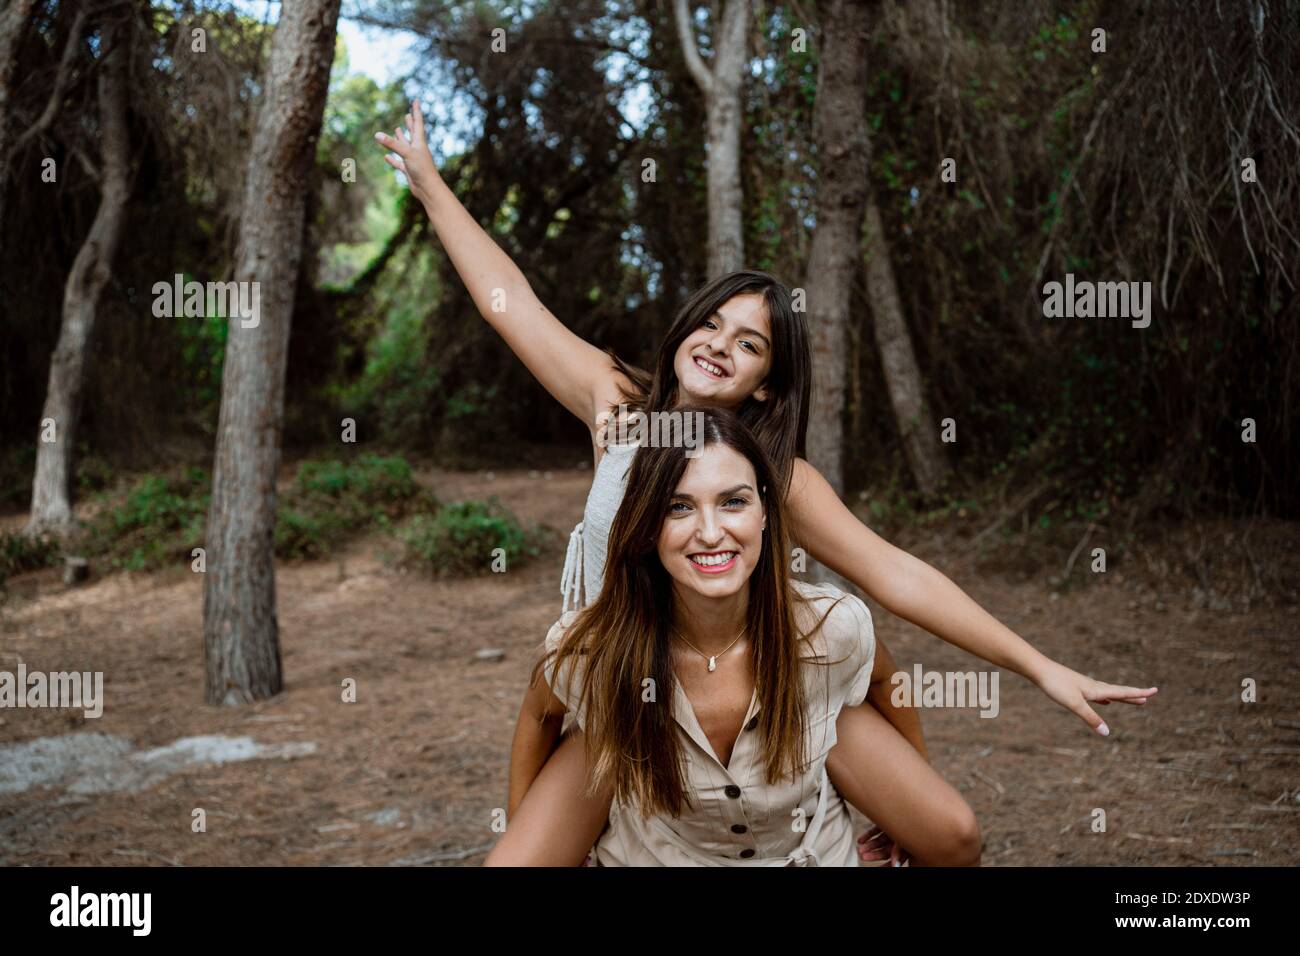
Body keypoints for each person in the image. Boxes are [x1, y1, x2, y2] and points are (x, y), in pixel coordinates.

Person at [375, 104, 1158, 864]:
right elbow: (509, 303)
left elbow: (896, 575)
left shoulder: (777, 478)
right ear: (686, 328)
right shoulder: (616, 407)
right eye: (712, 323)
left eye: (749, 345)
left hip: (764, 696)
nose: (721, 345)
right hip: (627, 688)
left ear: (761, 386)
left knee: (951, 835)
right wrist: (430, 185)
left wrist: (1038, 666)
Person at [489, 408, 898, 865]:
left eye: (733, 502)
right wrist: (521, 823)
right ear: (647, 526)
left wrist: (899, 810)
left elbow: (885, 680)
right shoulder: (592, 649)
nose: (709, 532)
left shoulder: (830, 627)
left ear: (764, 510)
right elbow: (541, 713)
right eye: (678, 507)